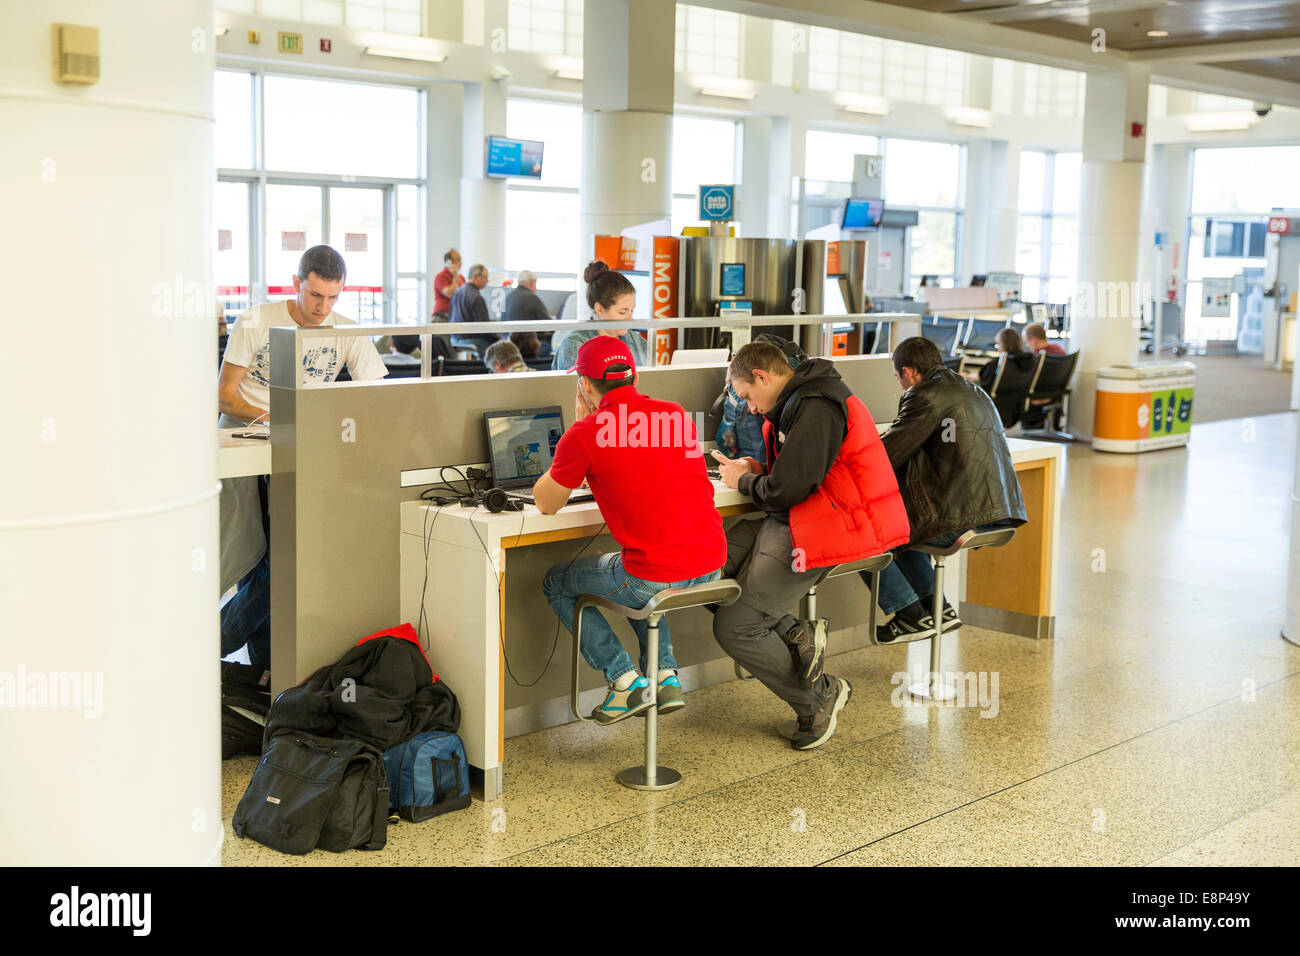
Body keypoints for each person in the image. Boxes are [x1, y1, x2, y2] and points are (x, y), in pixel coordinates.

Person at [710, 342, 910, 751]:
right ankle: (799, 634)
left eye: (747, 396)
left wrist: (743, 482)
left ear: (763, 377)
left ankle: (819, 698)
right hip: (801, 516)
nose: (748, 408)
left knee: (735, 626)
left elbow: (791, 489)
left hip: (828, 525)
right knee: (705, 566)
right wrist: (757, 469)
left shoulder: (817, 402)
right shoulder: (802, 396)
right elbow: (804, 470)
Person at [534, 336, 727, 723]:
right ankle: (665, 674)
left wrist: (579, 428)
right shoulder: (675, 414)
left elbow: (546, 503)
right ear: (633, 375)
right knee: (650, 565)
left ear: (585, 385)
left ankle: (625, 682)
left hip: (652, 577)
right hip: (712, 565)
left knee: (560, 582)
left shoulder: (585, 434)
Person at [217, 245, 387, 673]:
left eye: (333, 298)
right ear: (296, 284)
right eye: (314, 295)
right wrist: (278, 419)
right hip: (244, 445)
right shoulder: (256, 320)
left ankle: (257, 675)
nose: (322, 308)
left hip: (298, 449)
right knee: (257, 560)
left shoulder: (344, 330)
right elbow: (224, 395)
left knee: (282, 560)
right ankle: (216, 648)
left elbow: (379, 396)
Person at [865, 337, 1027, 643]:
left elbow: (885, 456)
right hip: (998, 511)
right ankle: (938, 608)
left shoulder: (924, 396)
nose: (899, 384)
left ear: (909, 372)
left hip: (961, 517)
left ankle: (910, 614)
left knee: (866, 533)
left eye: (897, 377)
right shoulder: (971, 389)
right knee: (903, 532)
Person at [551, 261, 651, 370]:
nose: (630, 319)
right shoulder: (574, 346)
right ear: (599, 309)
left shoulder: (637, 343)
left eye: (632, 310)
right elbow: (570, 386)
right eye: (622, 312)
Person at [976, 327, 1037, 428]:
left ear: (1003, 344)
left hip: (996, 407)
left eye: (998, 344)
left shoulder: (999, 364)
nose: (998, 348)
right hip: (1017, 407)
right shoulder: (1030, 360)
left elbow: (984, 388)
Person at [449, 263, 499, 356]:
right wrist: (497, 337)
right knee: (501, 348)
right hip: (472, 340)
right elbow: (483, 328)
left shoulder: (457, 292)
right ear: (476, 277)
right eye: (486, 277)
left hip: (455, 339)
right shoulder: (476, 297)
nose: (487, 281)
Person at [432, 248, 464, 319]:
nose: (461, 263)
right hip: (443, 317)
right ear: (448, 262)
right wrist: (455, 276)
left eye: (460, 260)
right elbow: (450, 294)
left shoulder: (461, 278)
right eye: (458, 260)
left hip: (457, 317)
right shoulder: (440, 277)